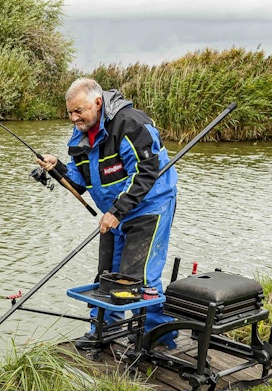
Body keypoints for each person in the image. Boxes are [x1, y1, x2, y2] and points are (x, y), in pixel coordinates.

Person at [38, 77, 178, 349]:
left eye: (79, 111)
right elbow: (79, 182)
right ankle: (106, 332)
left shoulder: (131, 124)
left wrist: (117, 210)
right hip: (113, 213)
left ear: (98, 103)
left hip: (150, 204)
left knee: (142, 278)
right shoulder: (79, 136)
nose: (74, 118)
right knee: (108, 274)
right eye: (69, 112)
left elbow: (145, 173)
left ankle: (156, 340)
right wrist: (57, 168)